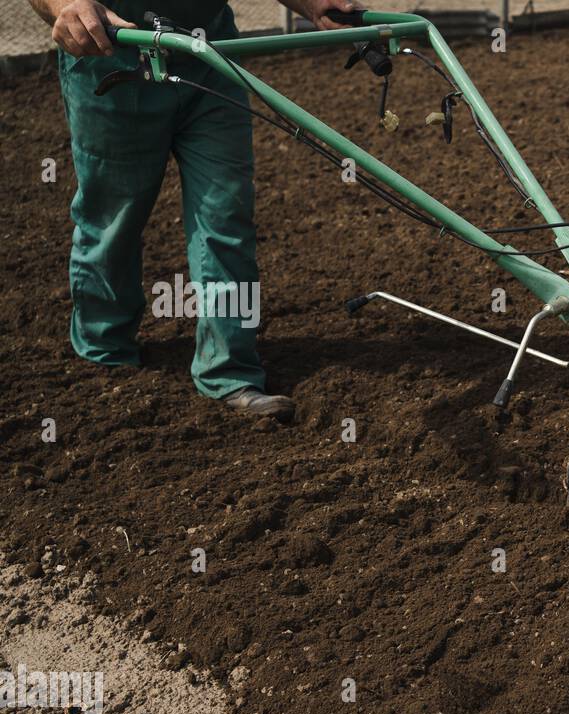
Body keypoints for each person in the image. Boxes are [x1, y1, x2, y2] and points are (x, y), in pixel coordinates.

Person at [28, 0, 358, 419]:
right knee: (114, 217)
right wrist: (65, 6)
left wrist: (310, 4)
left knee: (226, 213)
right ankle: (104, 350)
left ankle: (230, 371)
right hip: (112, 55)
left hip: (207, 52)